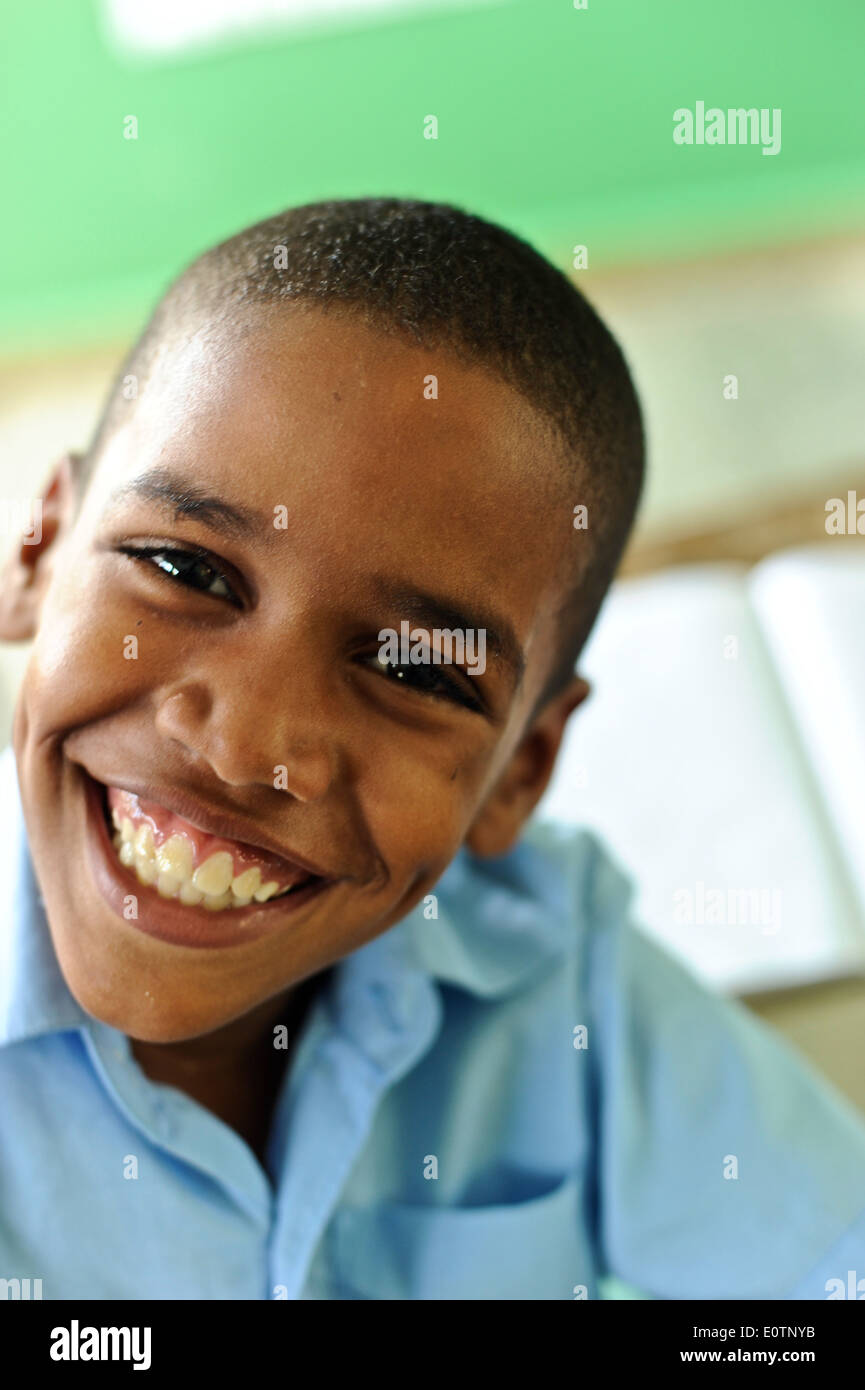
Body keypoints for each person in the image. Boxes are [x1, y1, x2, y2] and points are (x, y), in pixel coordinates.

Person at [1, 198, 863, 1300]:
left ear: (521, 771)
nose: (245, 746)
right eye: (186, 569)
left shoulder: (552, 974)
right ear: (35, 553)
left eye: (414, 669)